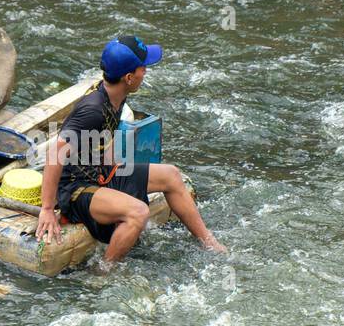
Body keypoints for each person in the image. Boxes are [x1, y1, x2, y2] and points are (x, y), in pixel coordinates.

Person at [35, 35, 227, 264]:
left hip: (101, 173)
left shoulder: (116, 95)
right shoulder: (92, 109)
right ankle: (104, 271)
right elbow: (55, 154)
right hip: (77, 189)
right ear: (128, 77)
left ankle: (208, 242)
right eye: (142, 68)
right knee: (138, 212)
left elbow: (102, 139)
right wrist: (47, 208)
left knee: (171, 175)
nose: (145, 72)